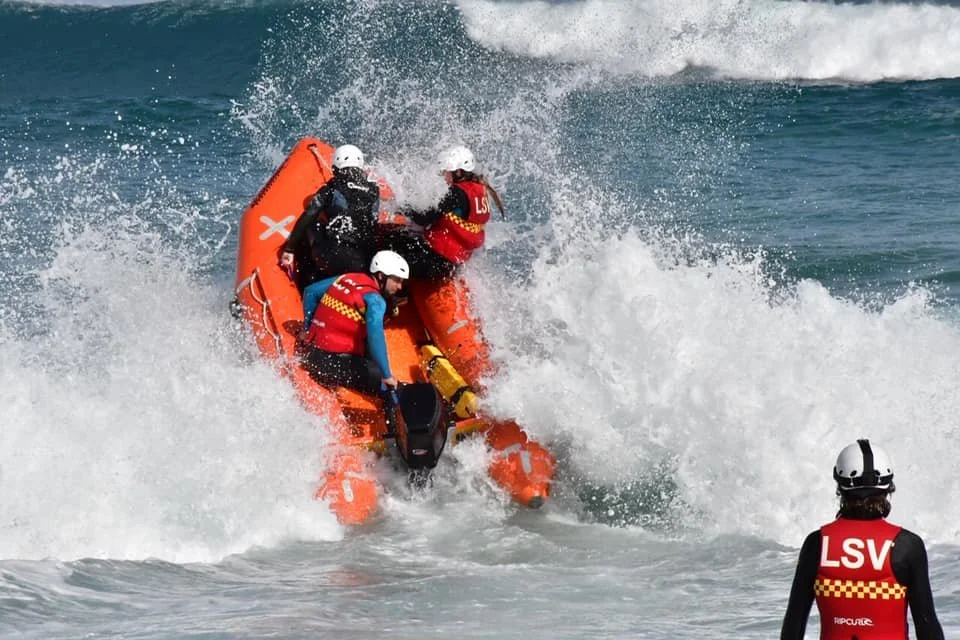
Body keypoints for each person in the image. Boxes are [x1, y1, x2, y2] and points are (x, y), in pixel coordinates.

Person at [780, 439, 944, 640]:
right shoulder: (906, 545)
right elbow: (926, 624)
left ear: (840, 486)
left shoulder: (818, 543)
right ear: (888, 486)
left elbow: (793, 627)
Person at [382, 145, 504, 279]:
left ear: (457, 172)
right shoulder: (480, 189)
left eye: (445, 172)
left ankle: (396, 293)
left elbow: (424, 218)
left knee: (390, 241)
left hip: (436, 261)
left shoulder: (456, 193)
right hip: (454, 262)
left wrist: (399, 206)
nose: (443, 176)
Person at [299, 250, 409, 395]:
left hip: (312, 353)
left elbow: (310, 292)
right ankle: (392, 410)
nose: (400, 286)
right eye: (397, 280)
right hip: (333, 365)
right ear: (381, 276)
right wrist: (386, 375)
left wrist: (307, 328)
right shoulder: (376, 301)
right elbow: (375, 336)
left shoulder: (346, 278)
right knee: (391, 387)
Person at [279, 144, 380, 291]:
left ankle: (308, 281)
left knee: (315, 224)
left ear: (335, 169)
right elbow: (372, 222)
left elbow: (309, 215)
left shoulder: (331, 187)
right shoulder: (375, 191)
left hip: (333, 257)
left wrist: (289, 249)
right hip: (363, 263)